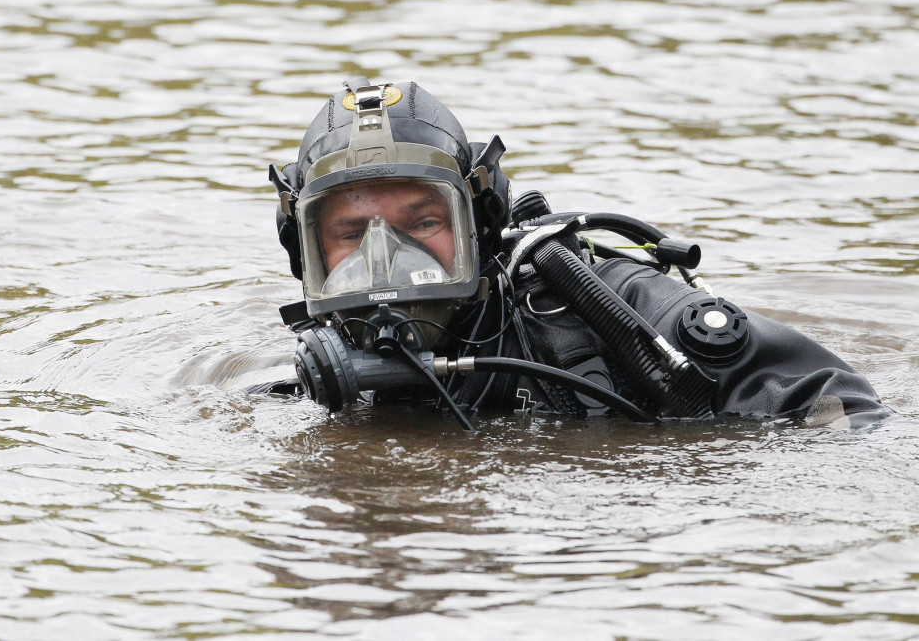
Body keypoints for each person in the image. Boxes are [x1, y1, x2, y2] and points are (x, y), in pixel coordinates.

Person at [266, 77, 889, 430]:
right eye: (351, 234)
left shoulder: (604, 308)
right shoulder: (311, 375)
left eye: (423, 221)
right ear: (306, 253)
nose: (388, 256)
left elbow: (845, 406)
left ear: (480, 225)